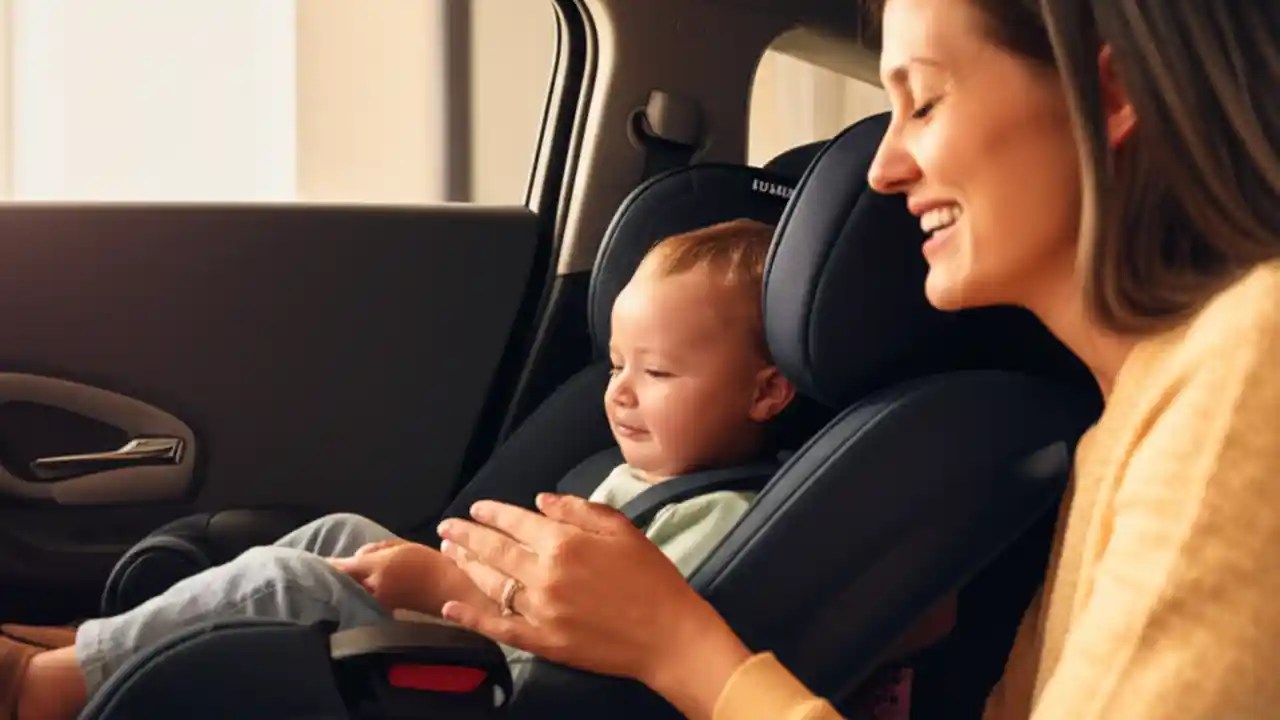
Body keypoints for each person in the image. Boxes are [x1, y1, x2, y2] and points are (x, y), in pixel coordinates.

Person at [428, 1, 1280, 718]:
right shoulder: (1127, 416)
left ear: (1111, 93)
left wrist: (677, 644)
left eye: (926, 103)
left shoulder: (1248, 366)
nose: (882, 167)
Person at [0, 218, 799, 720]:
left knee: (293, 584)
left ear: (766, 390)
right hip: (504, 622)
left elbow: (602, 659)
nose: (618, 394)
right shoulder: (651, 474)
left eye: (655, 376)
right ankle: (95, 651)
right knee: (338, 535)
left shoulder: (719, 514)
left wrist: (443, 587)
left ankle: (42, 693)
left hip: (512, 676)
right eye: (617, 365)